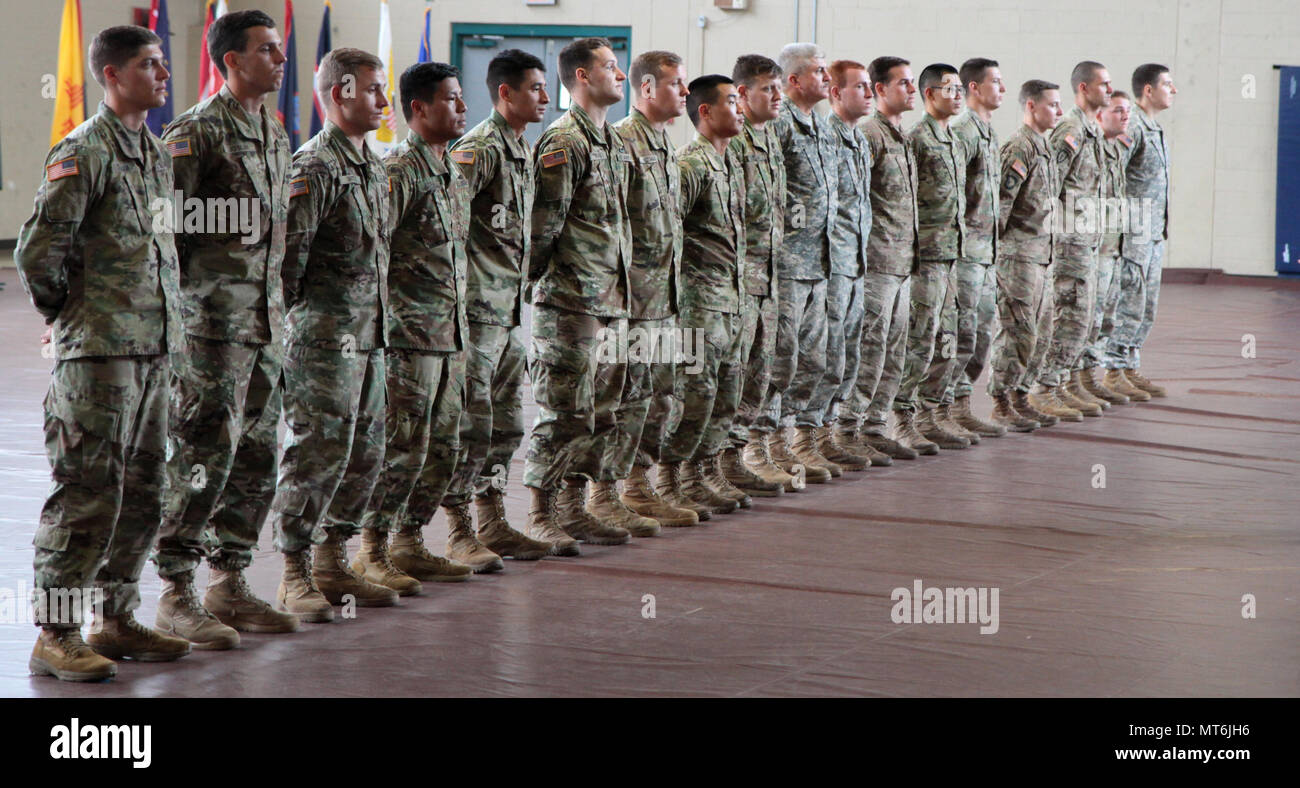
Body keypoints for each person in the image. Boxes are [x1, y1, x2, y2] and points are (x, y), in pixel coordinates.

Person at [18, 25, 190, 680]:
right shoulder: (83, 152)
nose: (163, 74)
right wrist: (71, 316)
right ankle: (55, 633)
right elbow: (39, 253)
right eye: (150, 65)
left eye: (164, 64)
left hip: (152, 349)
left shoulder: (153, 152)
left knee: (144, 490)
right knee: (87, 491)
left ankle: (114, 618)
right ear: (113, 75)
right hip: (98, 355)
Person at [153, 9, 297, 649]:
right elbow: (162, 234)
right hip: (211, 331)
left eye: (280, 48)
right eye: (267, 49)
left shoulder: (272, 131)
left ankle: (229, 581)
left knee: (258, 457)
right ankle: (174, 591)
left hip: (266, 330)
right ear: (231, 60)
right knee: (202, 456)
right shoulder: (196, 135)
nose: (280, 58)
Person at [269, 47, 398, 621]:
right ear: (341, 91)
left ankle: (332, 559)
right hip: (323, 342)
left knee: (364, 452)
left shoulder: (371, 165)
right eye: (373, 90)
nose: (383, 101)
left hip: (370, 338)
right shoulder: (313, 167)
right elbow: (285, 267)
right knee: (316, 452)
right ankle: (293, 571)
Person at [360, 62, 498, 594]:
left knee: (441, 447)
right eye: (452, 99)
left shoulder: (450, 171)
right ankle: (372, 549)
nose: (463, 108)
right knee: (401, 447)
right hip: (407, 339)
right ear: (419, 109)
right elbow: (376, 254)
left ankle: (408, 541)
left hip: (449, 335)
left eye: (463, 98)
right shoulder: (400, 171)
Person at [445, 50, 562, 555]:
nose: (546, 97)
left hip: (509, 312)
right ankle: (456, 527)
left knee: (507, 424)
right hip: (474, 314)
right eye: (535, 88)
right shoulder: (480, 149)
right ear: (505, 93)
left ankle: (491, 518)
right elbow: (446, 225)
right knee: (469, 425)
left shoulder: (522, 149)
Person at [524, 38, 635, 549]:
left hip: (611, 301)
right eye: (611, 67)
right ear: (583, 77)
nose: (622, 74)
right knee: (561, 412)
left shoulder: (610, 140)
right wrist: (539, 291)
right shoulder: (564, 141)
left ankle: (573, 506)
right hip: (569, 302)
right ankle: (540, 512)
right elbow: (542, 230)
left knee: (599, 412)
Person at [612, 50, 705, 526]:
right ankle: (614, 491)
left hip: (665, 298)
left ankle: (640, 483)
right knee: (627, 399)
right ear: (647, 89)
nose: (685, 93)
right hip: (630, 300)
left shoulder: (667, 144)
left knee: (659, 397)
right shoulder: (622, 143)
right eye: (676, 84)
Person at [664, 75, 750, 514]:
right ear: (705, 111)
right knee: (692, 397)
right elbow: (669, 236)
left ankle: (702, 473)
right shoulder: (690, 165)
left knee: (725, 395)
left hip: (730, 302)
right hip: (698, 305)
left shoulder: (728, 160)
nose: (740, 110)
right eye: (732, 102)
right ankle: (668, 479)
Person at [765, 42, 839, 483]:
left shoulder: (821, 126)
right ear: (793, 80)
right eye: (818, 71)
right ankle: (763, 445)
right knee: (780, 361)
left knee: (812, 361)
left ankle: (796, 439)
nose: (826, 78)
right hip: (788, 264)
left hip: (820, 261)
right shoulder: (780, 126)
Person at [727, 54, 799, 494]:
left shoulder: (769, 137)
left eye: (778, 88)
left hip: (769, 278)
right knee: (729, 377)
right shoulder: (732, 142)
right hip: (737, 282)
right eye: (768, 89)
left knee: (764, 373)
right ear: (742, 94)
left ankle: (747, 453)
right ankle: (723, 461)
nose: (777, 96)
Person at [1033, 60, 1113, 422]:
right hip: (1067, 243)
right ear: (1083, 87)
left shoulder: (1091, 129)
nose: (1109, 91)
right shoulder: (1070, 128)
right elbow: (1050, 183)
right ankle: (1043, 389)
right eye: (1104, 85)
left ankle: (1062, 384)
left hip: (1086, 241)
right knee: (1068, 318)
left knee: (1082, 319)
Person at [897, 62, 970, 451]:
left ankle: (931, 413)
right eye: (949, 89)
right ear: (929, 94)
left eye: (960, 89)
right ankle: (902, 418)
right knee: (919, 340)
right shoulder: (918, 139)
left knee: (947, 340)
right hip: (925, 257)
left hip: (950, 256)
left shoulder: (954, 139)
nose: (957, 96)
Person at [987, 79, 1064, 432]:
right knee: (1019, 332)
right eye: (1051, 105)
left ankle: (1020, 396)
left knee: (1042, 333)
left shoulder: (1044, 147)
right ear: (1031, 106)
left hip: (1041, 256)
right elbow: (1000, 208)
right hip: (1017, 257)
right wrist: (998, 258)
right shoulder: (1019, 148)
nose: (1058, 112)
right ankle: (1001, 401)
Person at [816, 59, 881, 470]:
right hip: (831, 264)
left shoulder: (858, 140)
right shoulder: (826, 137)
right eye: (860, 87)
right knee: (824, 354)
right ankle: (809, 437)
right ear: (836, 94)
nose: (869, 94)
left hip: (855, 261)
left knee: (849, 354)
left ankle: (834, 431)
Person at [855, 56, 921, 460]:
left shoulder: (902, 136)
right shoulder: (871, 136)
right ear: (880, 89)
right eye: (903, 83)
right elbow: (858, 201)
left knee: (895, 352)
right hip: (876, 264)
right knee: (871, 348)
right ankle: (852, 427)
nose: (911, 89)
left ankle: (877, 425)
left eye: (913, 82)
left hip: (901, 263)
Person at [945, 57, 1009, 439]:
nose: (1001, 88)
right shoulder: (963, 131)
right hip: (966, 253)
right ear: (974, 87)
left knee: (981, 335)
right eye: (995, 82)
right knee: (961, 333)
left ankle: (960, 403)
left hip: (987, 253)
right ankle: (941, 409)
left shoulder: (988, 131)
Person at [1105, 64, 1176, 400]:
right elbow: (1111, 172)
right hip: (1133, 234)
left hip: (1151, 235)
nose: (1172, 91)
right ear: (1148, 90)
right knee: (1129, 304)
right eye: (1167, 84)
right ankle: (1113, 370)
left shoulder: (1153, 127)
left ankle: (1129, 366)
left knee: (1146, 307)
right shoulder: (1132, 124)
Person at [1073, 90, 1134, 407]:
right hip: (1091, 250)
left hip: (1111, 248)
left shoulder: (1116, 149)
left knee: (1104, 320)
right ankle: (1071, 381)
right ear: (1100, 115)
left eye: (1127, 111)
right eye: (1118, 111)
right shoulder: (1088, 145)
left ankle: (1087, 376)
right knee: (1085, 319)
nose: (1126, 116)